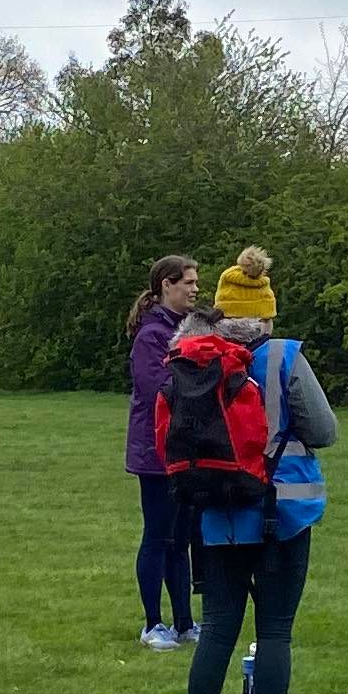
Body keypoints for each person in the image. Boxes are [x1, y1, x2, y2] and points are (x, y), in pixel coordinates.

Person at [172, 248, 336, 694]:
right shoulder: (285, 356)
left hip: (218, 516)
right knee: (275, 632)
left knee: (218, 627)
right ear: (266, 312)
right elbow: (325, 432)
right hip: (283, 517)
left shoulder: (193, 359)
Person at [122, 254, 204, 650]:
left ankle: (185, 623)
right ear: (165, 286)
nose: (194, 289)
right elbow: (162, 388)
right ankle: (153, 624)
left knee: (181, 538)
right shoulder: (151, 336)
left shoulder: (185, 330)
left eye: (196, 282)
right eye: (187, 282)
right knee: (158, 536)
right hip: (156, 452)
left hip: (183, 450)